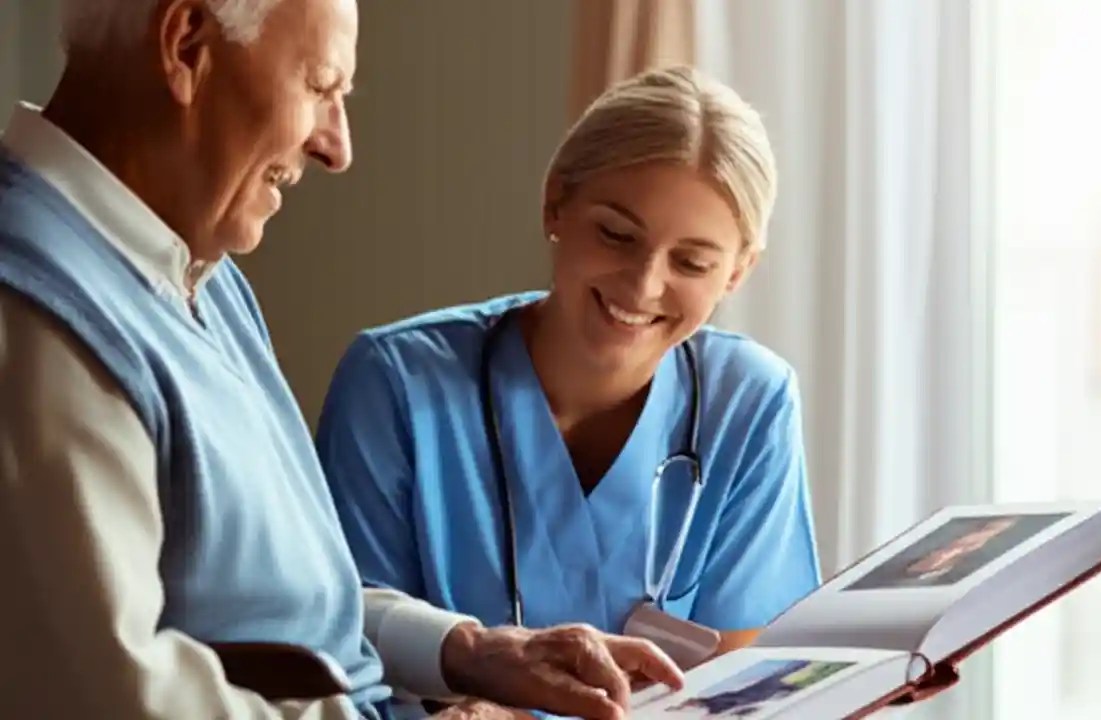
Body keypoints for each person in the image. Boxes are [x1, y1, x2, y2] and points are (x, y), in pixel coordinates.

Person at [0, 1, 681, 718]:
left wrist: (469, 651)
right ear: (187, 44)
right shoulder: (35, 319)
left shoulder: (194, 271)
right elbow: (110, 698)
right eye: (321, 87)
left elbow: (271, 599)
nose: (337, 147)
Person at [315, 66, 823, 681]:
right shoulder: (397, 383)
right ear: (556, 202)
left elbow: (747, 678)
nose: (643, 285)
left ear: (738, 271)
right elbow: (341, 642)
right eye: (616, 235)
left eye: (691, 262)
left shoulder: (748, 404)